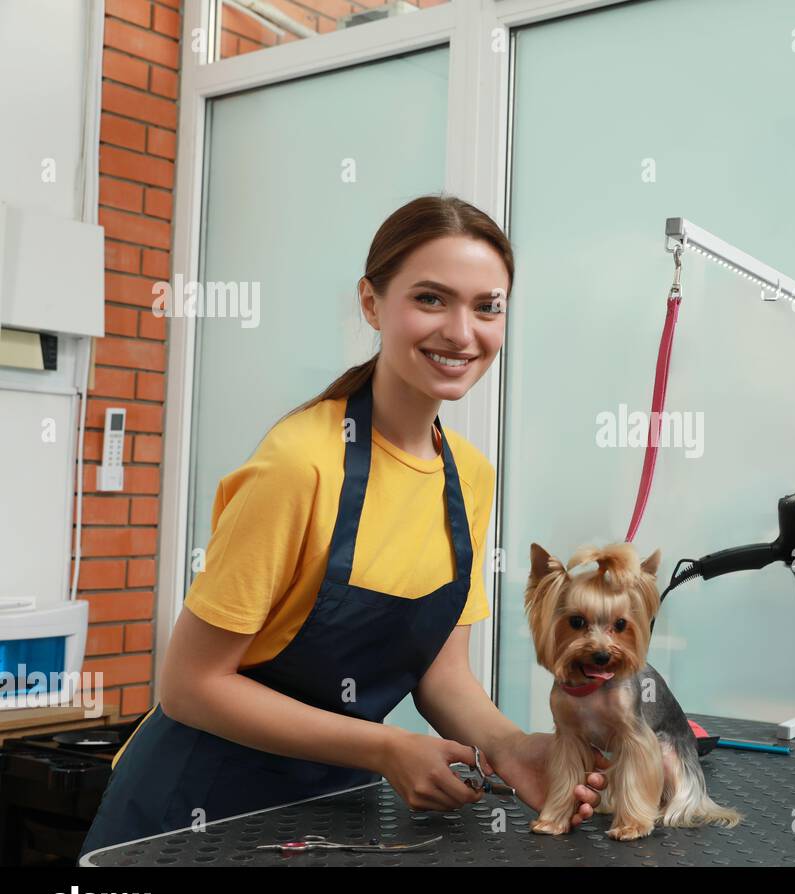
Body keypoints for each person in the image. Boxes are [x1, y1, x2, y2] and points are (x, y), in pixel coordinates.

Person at [80, 195, 607, 858]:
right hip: (193, 812)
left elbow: (442, 673)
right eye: (431, 299)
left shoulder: (468, 477)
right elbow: (190, 686)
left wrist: (513, 747)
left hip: (333, 812)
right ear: (371, 303)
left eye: (486, 307)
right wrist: (387, 747)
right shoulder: (299, 466)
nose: (461, 332)